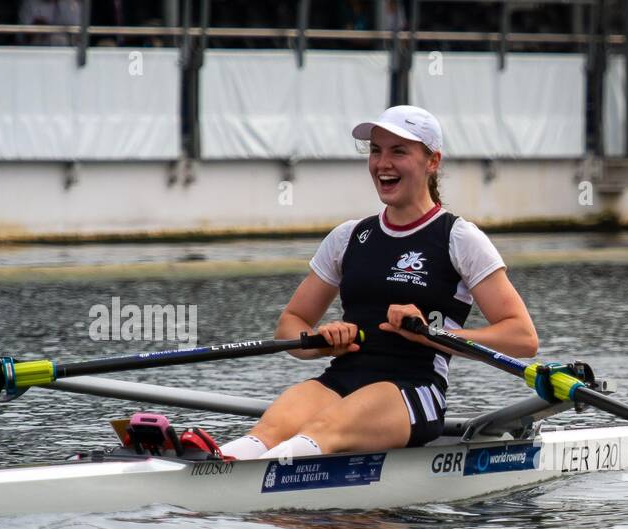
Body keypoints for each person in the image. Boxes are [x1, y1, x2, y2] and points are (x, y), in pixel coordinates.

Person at [220, 106, 538, 461]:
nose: (382, 163)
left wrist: (432, 336)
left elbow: (522, 338)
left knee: (319, 432)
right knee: (264, 434)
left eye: (398, 151)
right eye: (375, 151)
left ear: (432, 161)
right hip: (342, 377)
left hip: (413, 387)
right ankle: (218, 468)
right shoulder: (348, 237)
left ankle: (281, 469)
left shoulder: (459, 238)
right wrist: (323, 344)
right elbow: (289, 327)